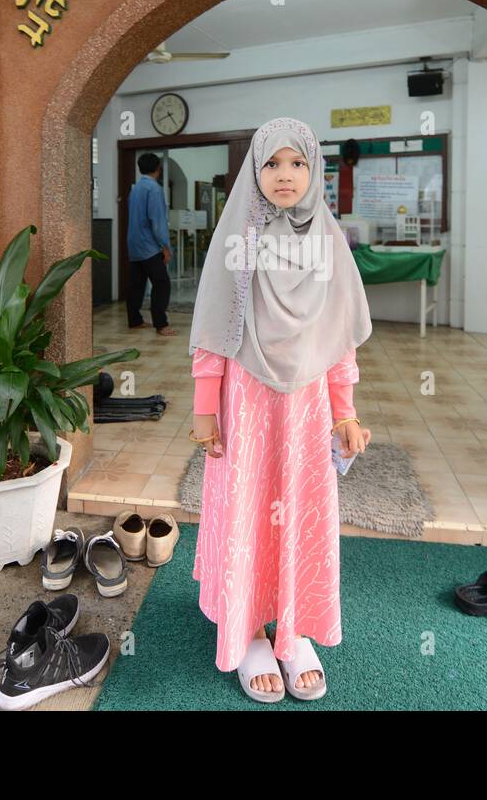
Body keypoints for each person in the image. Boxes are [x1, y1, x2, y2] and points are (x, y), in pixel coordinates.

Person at [187, 116, 373, 703]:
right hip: (244, 400)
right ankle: (248, 632)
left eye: (297, 163)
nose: (285, 175)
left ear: (314, 170)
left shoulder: (328, 241)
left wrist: (344, 412)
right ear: (254, 171)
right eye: (272, 164)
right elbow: (214, 326)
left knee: (298, 510)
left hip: (307, 406)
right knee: (248, 508)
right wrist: (202, 407)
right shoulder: (236, 236)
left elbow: (339, 336)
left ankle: (291, 630)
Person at [126, 152, 177, 336]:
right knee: (162, 283)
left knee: (136, 284)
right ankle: (161, 325)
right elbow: (157, 222)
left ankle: (134, 320)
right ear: (158, 169)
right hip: (149, 247)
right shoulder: (154, 189)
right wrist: (166, 247)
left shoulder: (136, 188)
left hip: (134, 245)